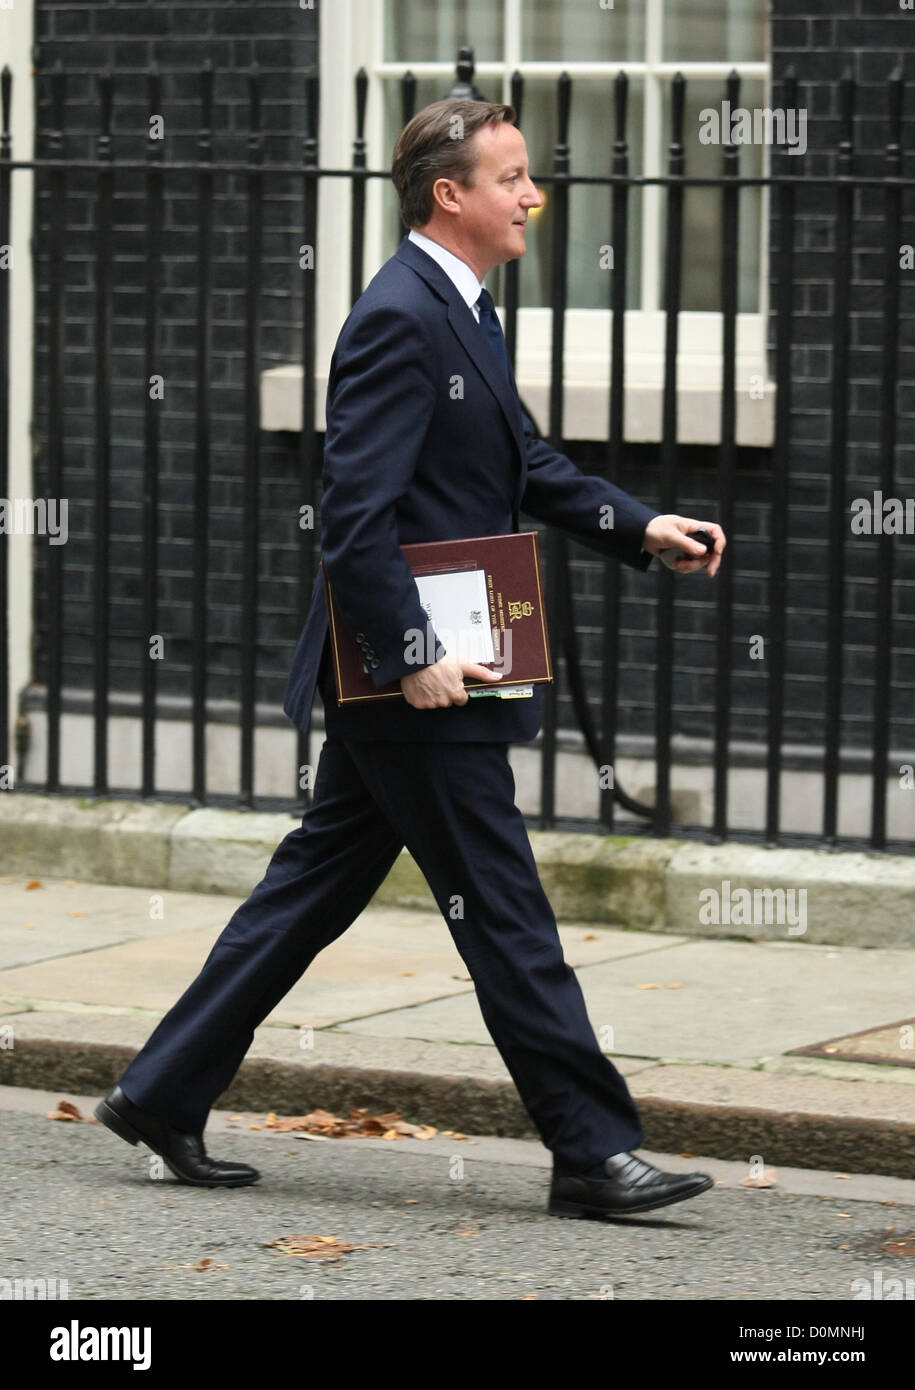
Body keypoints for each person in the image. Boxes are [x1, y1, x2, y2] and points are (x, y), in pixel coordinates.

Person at [96, 98, 726, 1219]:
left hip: (421, 665)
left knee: (310, 889)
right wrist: (411, 651)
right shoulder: (401, 317)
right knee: (507, 908)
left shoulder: (462, 312)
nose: (535, 197)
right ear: (452, 193)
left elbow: (519, 458)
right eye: (514, 177)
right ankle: (590, 1149)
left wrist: (637, 526)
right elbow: (353, 515)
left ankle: (159, 1090)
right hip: (423, 675)